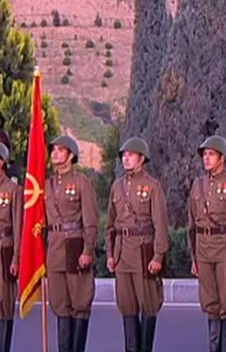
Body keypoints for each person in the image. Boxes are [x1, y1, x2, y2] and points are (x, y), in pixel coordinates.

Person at [187, 135, 226, 352]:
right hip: (203, 247)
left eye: (211, 154)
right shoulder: (197, 185)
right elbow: (191, 225)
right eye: (204, 155)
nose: (206, 158)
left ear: (222, 158)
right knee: (210, 302)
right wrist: (193, 257)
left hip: (225, 246)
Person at [105, 137, 168, 352]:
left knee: (148, 306)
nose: (126, 158)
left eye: (130, 155)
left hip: (143, 253)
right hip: (123, 254)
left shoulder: (152, 187)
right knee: (127, 307)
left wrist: (158, 256)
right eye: (123, 155)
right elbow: (110, 225)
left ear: (142, 158)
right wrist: (110, 255)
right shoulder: (117, 187)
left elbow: (161, 225)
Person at [45, 135, 98, 352]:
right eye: (53, 150)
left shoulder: (82, 183)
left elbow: (91, 221)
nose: (55, 153)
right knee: (60, 306)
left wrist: (87, 250)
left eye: (60, 150)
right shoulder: (47, 185)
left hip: (75, 246)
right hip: (54, 248)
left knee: (80, 304)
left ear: (71, 155)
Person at [0, 143, 21, 352]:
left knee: (4, 304)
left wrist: (16, 257)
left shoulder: (12, 190)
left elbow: (17, 225)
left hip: (4, 249)